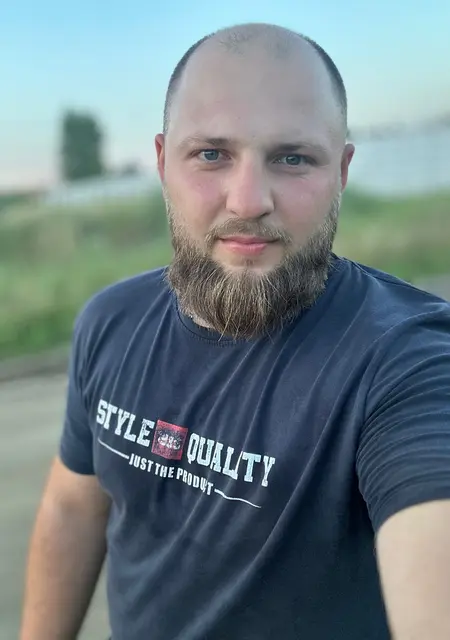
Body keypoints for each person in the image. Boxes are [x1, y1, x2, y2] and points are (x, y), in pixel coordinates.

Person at [19, 22, 450, 640]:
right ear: (163, 162)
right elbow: (72, 506)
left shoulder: (406, 361)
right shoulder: (109, 323)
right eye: (212, 154)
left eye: (292, 158)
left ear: (342, 171)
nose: (248, 201)